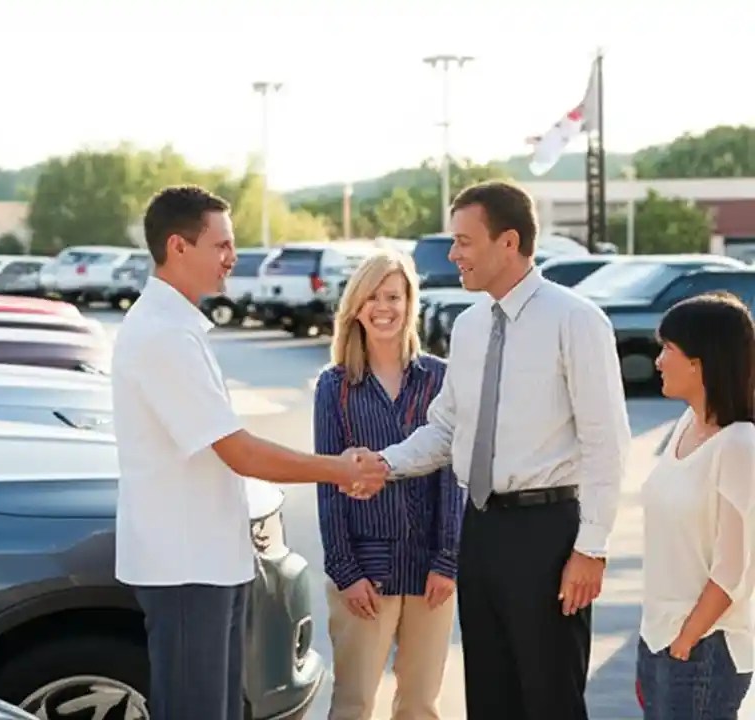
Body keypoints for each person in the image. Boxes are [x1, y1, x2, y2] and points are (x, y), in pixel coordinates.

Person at [112, 184, 388, 720]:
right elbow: (238, 451)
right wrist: (337, 469)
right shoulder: (164, 336)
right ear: (178, 247)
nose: (232, 259)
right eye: (222, 246)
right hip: (186, 566)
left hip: (206, 560)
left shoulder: (177, 328)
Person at [360, 180, 632, 720]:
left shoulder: (575, 321)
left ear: (508, 243)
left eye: (463, 241)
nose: (453, 253)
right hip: (480, 530)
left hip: (549, 533)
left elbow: (607, 441)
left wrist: (592, 548)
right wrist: (384, 464)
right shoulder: (468, 326)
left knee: (549, 698)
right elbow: (446, 429)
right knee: (489, 695)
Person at [314, 249, 464, 720]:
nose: (384, 307)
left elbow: (452, 473)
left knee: (420, 704)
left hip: (431, 573)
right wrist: (345, 571)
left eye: (394, 296)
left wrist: (448, 560)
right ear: (356, 307)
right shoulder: (334, 387)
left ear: (410, 303)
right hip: (365, 573)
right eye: (373, 296)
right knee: (354, 703)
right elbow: (328, 483)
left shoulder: (440, 378)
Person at [638, 292, 755, 719]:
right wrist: (658, 647)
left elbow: (732, 570)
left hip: (706, 647)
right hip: (660, 640)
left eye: (668, 349)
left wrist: (685, 641)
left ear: (700, 363)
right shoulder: (686, 425)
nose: (657, 361)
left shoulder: (740, 445)